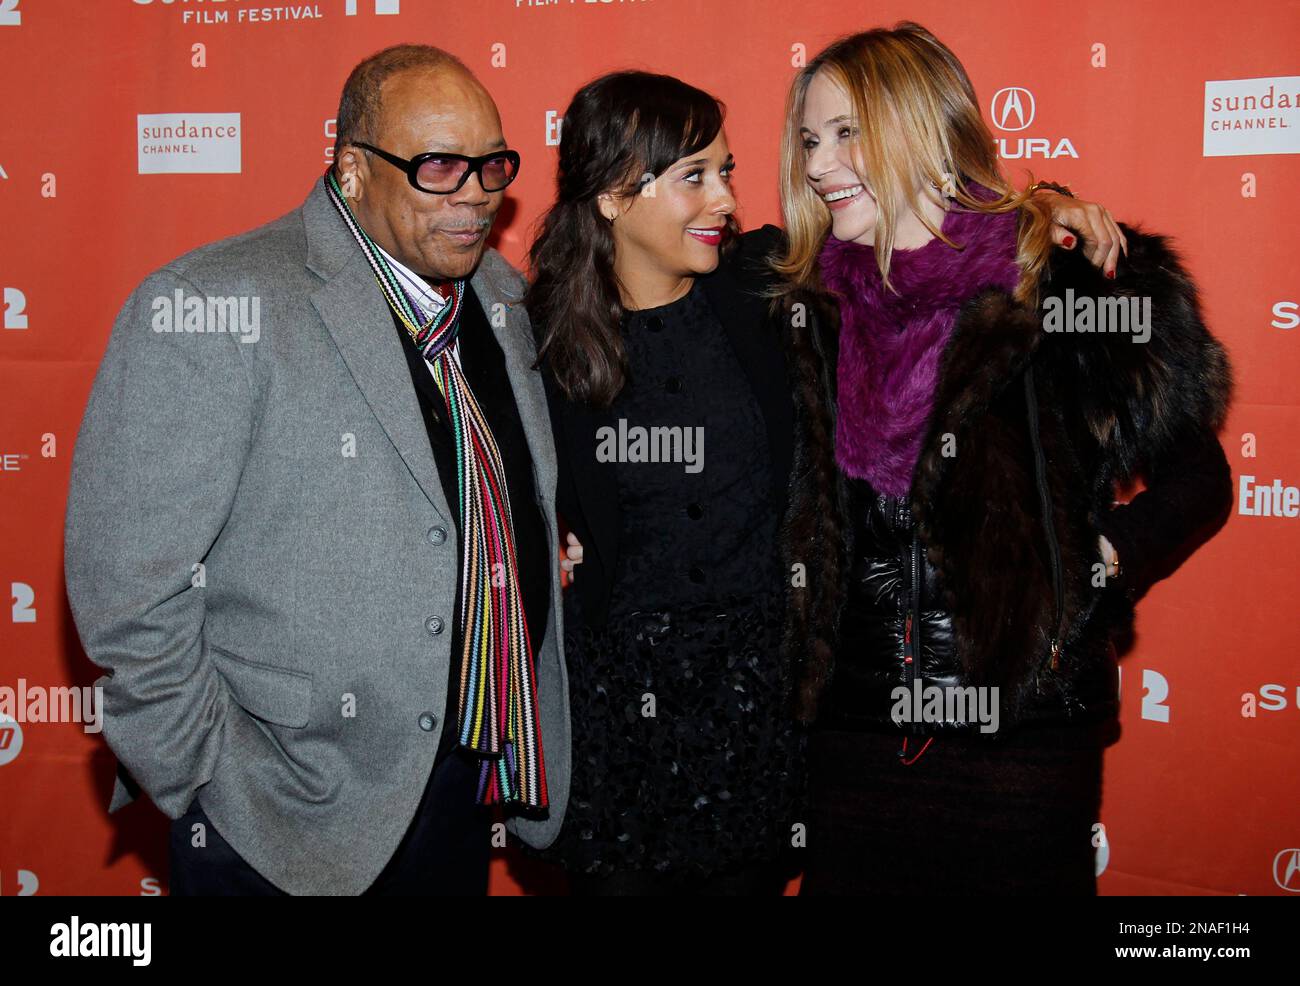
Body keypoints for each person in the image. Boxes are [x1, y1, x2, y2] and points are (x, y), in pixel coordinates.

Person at [525, 69, 1111, 895]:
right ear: (615, 197)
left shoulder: (768, 283)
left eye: (726, 171)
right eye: (694, 176)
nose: (725, 199)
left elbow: (928, 237)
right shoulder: (536, 341)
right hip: (617, 715)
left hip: (762, 706)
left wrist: (1041, 206)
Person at [63, 44, 570, 895]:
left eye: (491, 165)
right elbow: (128, 587)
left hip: (458, 785)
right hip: (276, 812)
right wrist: (206, 786)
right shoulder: (209, 306)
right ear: (352, 170)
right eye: (439, 167)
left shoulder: (498, 295)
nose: (477, 193)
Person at [773, 23, 1234, 894]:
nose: (820, 164)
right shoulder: (808, 305)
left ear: (923, 127)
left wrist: (1104, 561)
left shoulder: (1057, 288)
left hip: (1020, 736)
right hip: (854, 736)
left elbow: (1198, 478)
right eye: (808, 139)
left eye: (847, 132)